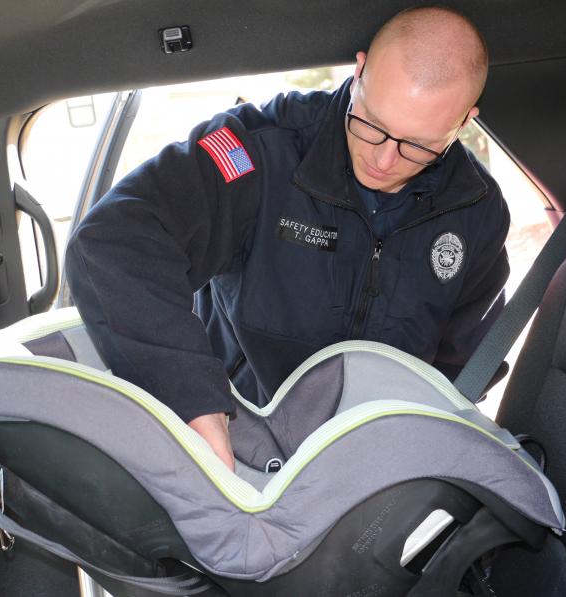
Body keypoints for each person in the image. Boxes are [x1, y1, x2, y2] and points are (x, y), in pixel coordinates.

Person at [65, 6, 510, 471]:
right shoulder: (258, 151)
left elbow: (462, 369)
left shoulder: (475, 210)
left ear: (463, 122)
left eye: (418, 145)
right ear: (359, 72)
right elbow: (114, 241)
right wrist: (194, 403)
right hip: (243, 452)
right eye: (372, 124)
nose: (382, 159)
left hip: (377, 473)